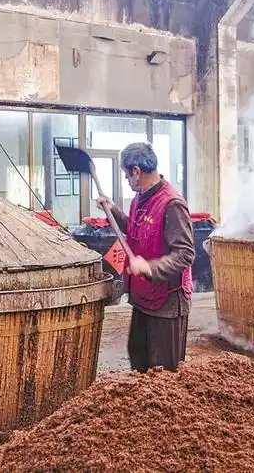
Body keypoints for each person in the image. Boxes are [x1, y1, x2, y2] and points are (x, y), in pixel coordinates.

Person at [96, 142, 194, 373]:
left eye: (126, 175)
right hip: (144, 298)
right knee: (138, 355)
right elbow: (136, 229)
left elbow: (185, 254)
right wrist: (113, 211)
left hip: (167, 301)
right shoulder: (141, 197)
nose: (127, 180)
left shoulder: (172, 203)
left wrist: (150, 268)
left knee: (163, 369)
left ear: (137, 172)